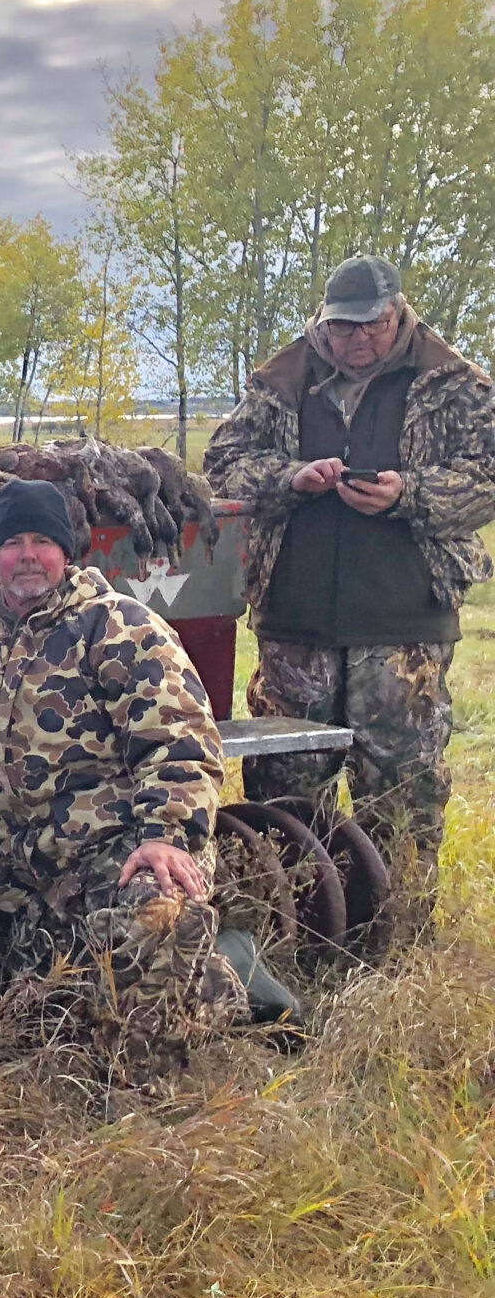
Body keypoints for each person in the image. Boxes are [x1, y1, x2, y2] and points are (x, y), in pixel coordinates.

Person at [0, 478, 272, 1072]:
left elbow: (183, 741)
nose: (27, 556)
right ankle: (232, 980)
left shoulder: (118, 628)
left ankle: (139, 1091)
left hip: (113, 847)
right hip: (17, 867)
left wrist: (164, 838)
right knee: (48, 1016)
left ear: (67, 551)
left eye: (43, 541)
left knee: (158, 915)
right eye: (13, 541)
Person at [204, 254, 495, 919]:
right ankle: (290, 926)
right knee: (286, 791)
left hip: (404, 624)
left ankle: (393, 931)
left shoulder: (451, 382)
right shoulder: (282, 379)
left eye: (375, 325)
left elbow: (488, 477)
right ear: (323, 321)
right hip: (294, 623)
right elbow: (224, 464)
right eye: (344, 328)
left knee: (401, 787)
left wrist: (408, 494)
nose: (359, 340)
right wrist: (291, 479)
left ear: (399, 315)